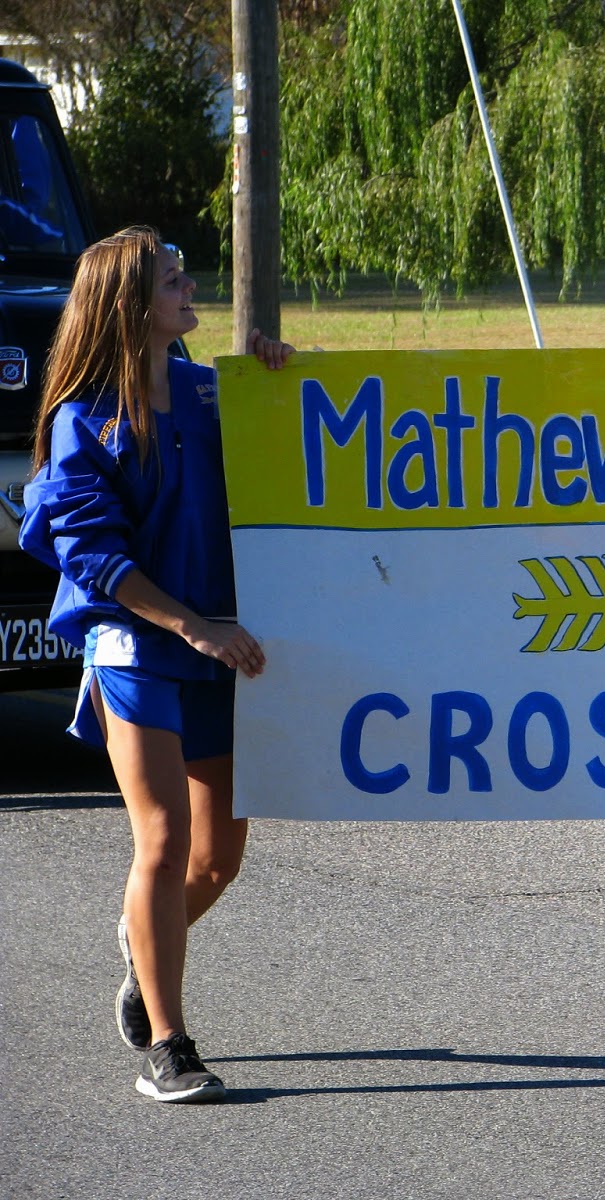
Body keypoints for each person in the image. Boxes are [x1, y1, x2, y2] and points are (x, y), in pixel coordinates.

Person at [22, 225, 294, 1100]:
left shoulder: (214, 396)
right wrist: (190, 627)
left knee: (217, 861)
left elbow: (305, 449)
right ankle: (171, 1047)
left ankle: (143, 941)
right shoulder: (83, 418)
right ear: (132, 306)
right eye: (173, 281)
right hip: (137, 644)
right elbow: (95, 560)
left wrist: (281, 380)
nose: (190, 289)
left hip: (218, 642)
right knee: (166, 840)